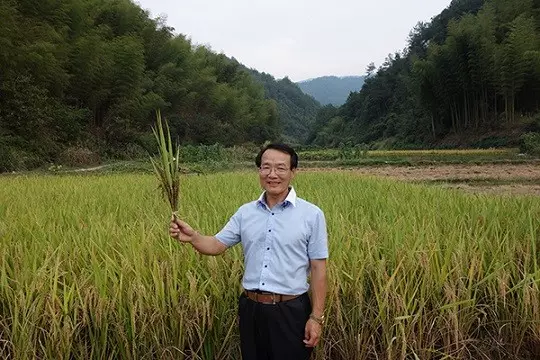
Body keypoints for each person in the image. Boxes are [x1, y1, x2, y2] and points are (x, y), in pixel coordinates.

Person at [169, 143, 328, 360]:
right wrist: (193, 237)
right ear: (259, 171)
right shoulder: (246, 213)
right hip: (251, 309)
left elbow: (319, 268)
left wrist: (316, 318)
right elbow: (217, 245)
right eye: (266, 167)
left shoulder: (312, 215)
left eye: (281, 168)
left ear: (293, 172)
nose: (272, 174)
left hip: (291, 310)